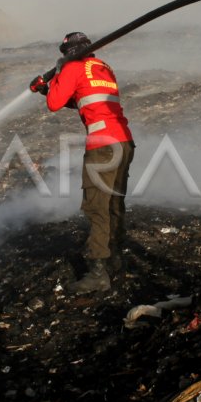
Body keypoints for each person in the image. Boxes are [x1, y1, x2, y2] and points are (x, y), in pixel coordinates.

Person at [36, 32, 135, 293]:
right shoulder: (102, 67)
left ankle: (97, 273)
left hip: (102, 146)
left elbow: (54, 103)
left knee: (97, 208)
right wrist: (47, 87)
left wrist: (57, 75)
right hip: (124, 141)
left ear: (68, 52)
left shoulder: (73, 68)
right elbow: (79, 99)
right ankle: (115, 260)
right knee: (114, 204)